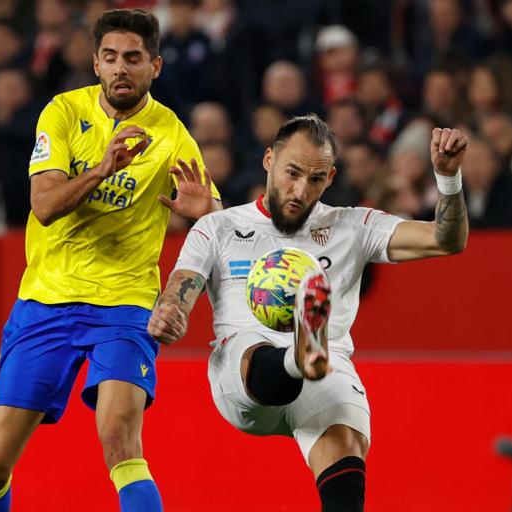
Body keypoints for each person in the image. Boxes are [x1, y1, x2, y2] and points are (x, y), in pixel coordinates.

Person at [0, 9, 221, 512]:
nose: (120, 68)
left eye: (133, 58)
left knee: (119, 440)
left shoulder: (170, 134)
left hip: (125, 305)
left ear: (156, 67)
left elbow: (218, 222)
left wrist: (205, 212)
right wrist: (103, 168)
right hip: (47, 300)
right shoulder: (61, 112)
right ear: (95, 64)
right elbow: (43, 205)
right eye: (110, 58)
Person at [149, 115, 469, 511]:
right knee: (252, 348)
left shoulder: (352, 225)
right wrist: (171, 311)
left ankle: (305, 356)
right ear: (269, 159)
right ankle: (296, 357)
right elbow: (181, 287)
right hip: (244, 372)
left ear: (330, 178)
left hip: (325, 364)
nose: (300, 190)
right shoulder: (219, 226)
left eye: (315, 180)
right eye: (292, 172)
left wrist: (448, 180)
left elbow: (446, 240)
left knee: (345, 449)